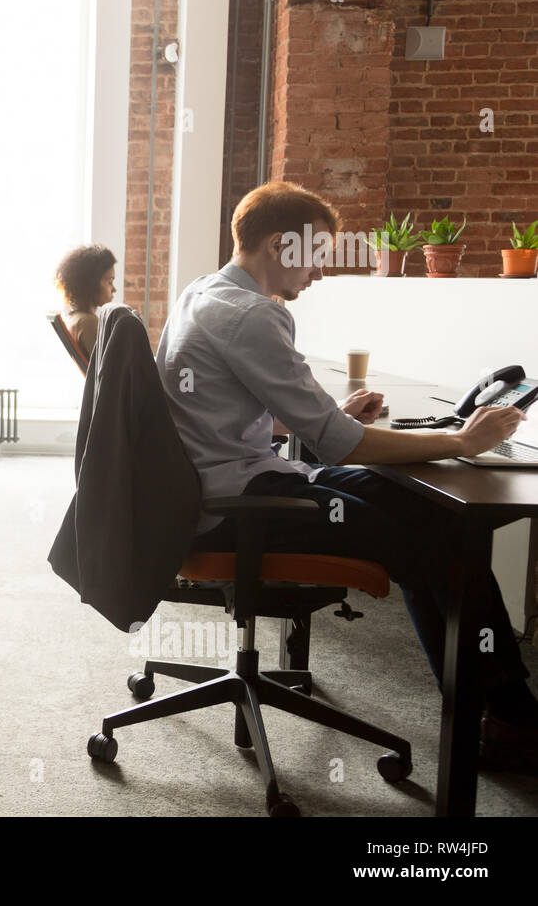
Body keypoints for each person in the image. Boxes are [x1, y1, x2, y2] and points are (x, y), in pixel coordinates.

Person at [156, 180, 538, 768]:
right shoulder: (255, 315)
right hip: (241, 508)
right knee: (441, 542)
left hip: (234, 484)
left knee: (424, 511)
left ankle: (491, 709)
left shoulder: (203, 294)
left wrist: (329, 417)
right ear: (283, 245)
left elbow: (238, 409)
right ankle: (507, 718)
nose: (318, 275)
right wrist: (463, 439)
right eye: (315, 258)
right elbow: (338, 447)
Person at [54, 244, 117, 357]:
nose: (114, 289)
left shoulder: (75, 318)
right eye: (110, 281)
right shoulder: (88, 322)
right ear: (91, 283)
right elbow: (110, 372)